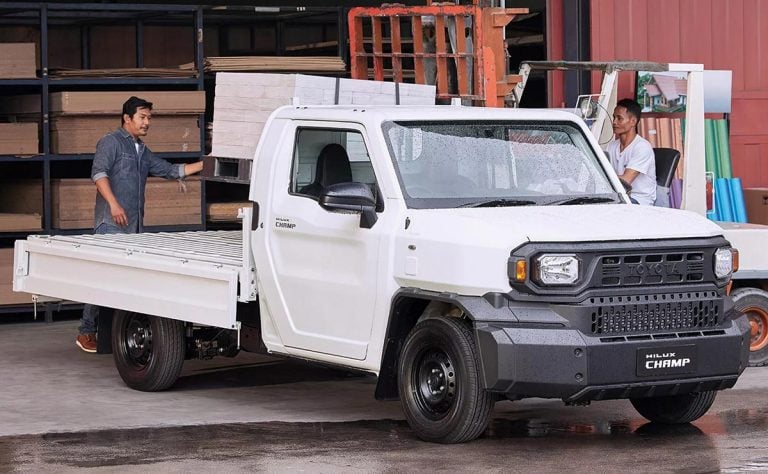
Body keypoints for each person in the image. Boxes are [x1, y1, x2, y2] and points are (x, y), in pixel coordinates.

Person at [76, 96, 203, 353]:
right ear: (127, 118)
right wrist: (113, 204)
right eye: (142, 117)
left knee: (121, 281)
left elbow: (171, 171)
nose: (147, 123)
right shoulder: (110, 142)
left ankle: (113, 334)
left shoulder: (143, 151)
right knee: (102, 277)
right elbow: (98, 173)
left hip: (133, 228)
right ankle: (86, 331)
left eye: (149, 118)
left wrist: (207, 163)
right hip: (110, 224)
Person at [605, 98, 656, 205]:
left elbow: (626, 181)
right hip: (618, 196)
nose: (614, 122)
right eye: (614, 117)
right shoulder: (612, 146)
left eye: (619, 118)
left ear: (633, 121)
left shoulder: (642, 147)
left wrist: (600, 177)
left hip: (639, 200)